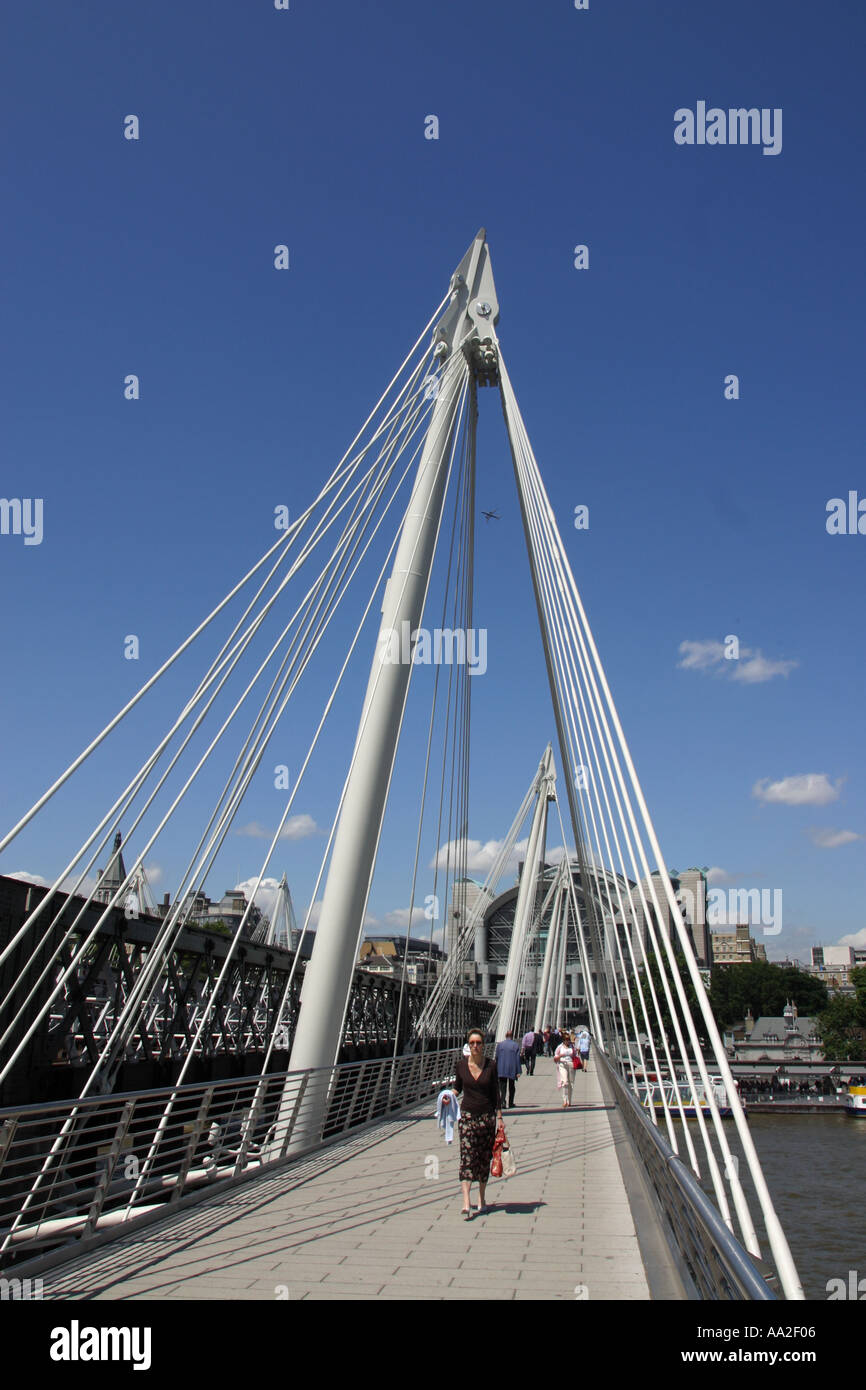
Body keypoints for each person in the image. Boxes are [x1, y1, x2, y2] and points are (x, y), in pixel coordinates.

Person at [452, 1028, 503, 1218]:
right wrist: (449, 1097)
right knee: (466, 1158)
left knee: (483, 1160)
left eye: (478, 1043)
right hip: (466, 1117)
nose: (475, 1046)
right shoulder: (460, 1066)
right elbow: (457, 1088)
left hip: (487, 1118)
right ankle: (466, 1201)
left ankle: (481, 1198)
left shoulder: (491, 1065)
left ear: (483, 1045)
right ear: (468, 1045)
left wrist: (499, 1117)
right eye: (472, 1043)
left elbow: (495, 1093)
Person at [495, 1030, 522, 1109]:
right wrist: (518, 1071)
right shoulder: (515, 1045)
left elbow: (496, 1057)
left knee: (502, 1087)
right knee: (511, 1086)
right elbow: (517, 1059)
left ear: (505, 1036)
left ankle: (503, 1101)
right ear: (512, 1036)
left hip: (502, 1068)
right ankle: (511, 1102)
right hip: (511, 1069)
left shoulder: (500, 1045)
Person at [554, 1031, 576, 1109]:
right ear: (563, 1040)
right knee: (565, 1082)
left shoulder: (572, 1047)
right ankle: (565, 1100)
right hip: (563, 1065)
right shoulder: (560, 1047)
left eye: (568, 1039)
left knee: (571, 1083)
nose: (567, 1041)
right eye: (566, 1039)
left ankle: (569, 1101)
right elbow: (555, 1058)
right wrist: (560, 1055)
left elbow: (575, 1055)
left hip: (571, 1065)